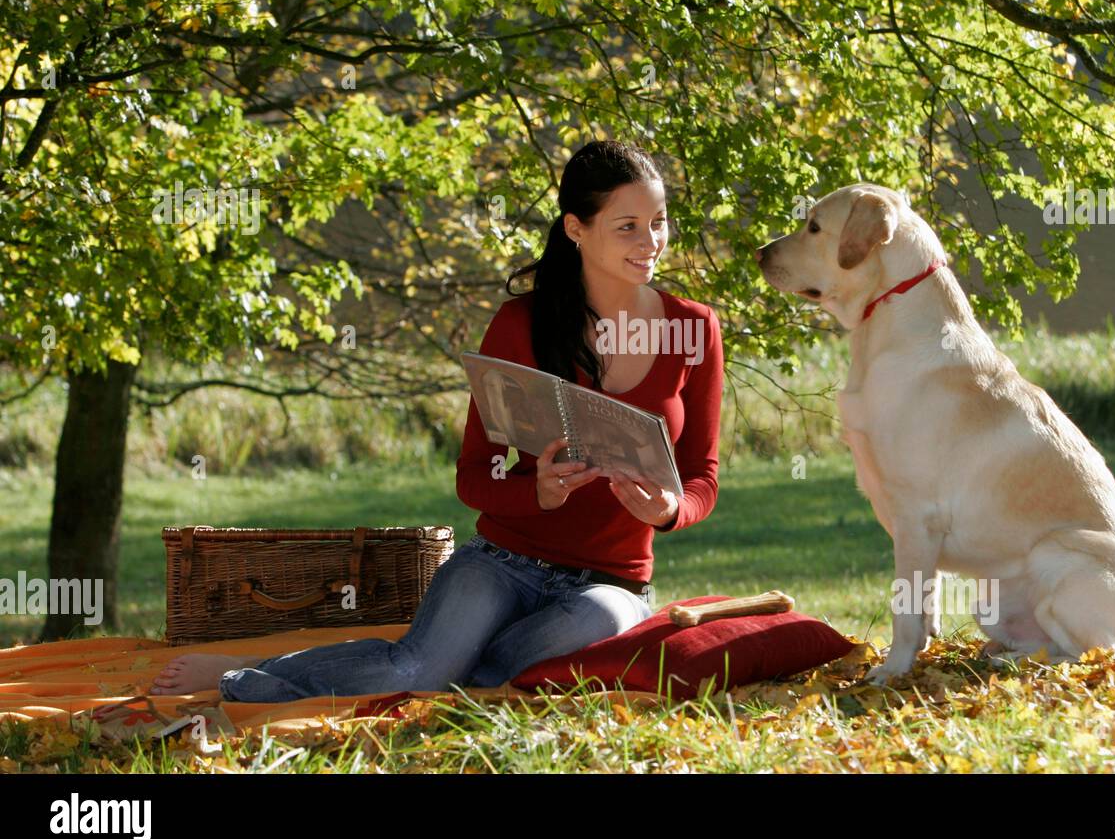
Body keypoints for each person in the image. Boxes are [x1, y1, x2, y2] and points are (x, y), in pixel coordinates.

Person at [149, 140, 724, 700]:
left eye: (659, 222)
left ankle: (450, 662)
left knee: (483, 663)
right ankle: (250, 673)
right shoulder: (519, 324)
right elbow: (472, 477)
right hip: (504, 561)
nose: (651, 242)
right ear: (576, 228)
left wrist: (672, 511)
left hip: (611, 583)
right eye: (628, 226)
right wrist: (538, 494)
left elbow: (703, 476)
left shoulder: (694, 330)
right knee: (423, 669)